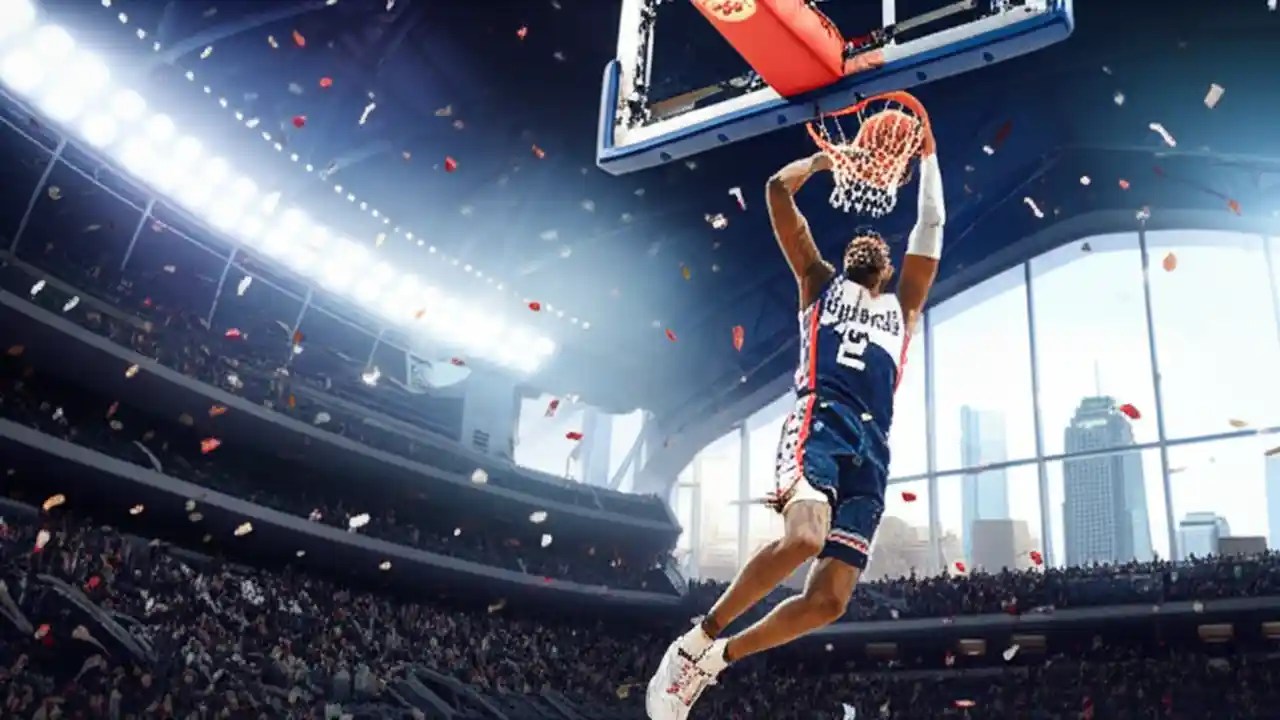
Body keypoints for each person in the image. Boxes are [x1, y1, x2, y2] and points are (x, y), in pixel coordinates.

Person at [646, 128, 944, 719]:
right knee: (804, 537)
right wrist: (826, 159)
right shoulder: (818, 282)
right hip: (820, 418)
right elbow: (777, 191)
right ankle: (696, 639)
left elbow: (930, 227)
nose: (870, 245)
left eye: (878, 246)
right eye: (861, 240)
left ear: (886, 269)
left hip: (873, 448)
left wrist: (929, 159)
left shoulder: (902, 308)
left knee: (829, 601)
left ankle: (717, 661)